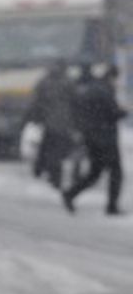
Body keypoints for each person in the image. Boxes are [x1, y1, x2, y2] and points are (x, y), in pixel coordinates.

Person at [63, 63, 127, 215]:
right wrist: (125, 112)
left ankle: (71, 193)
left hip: (93, 138)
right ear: (112, 76)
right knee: (115, 172)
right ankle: (112, 206)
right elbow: (113, 113)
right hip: (106, 139)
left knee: (95, 173)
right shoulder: (105, 91)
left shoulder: (92, 89)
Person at [25, 61, 76, 190]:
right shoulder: (68, 82)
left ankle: (42, 169)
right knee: (57, 151)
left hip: (48, 122)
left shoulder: (44, 82)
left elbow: (36, 102)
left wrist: (35, 117)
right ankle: (54, 177)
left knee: (48, 148)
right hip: (64, 122)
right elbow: (76, 102)